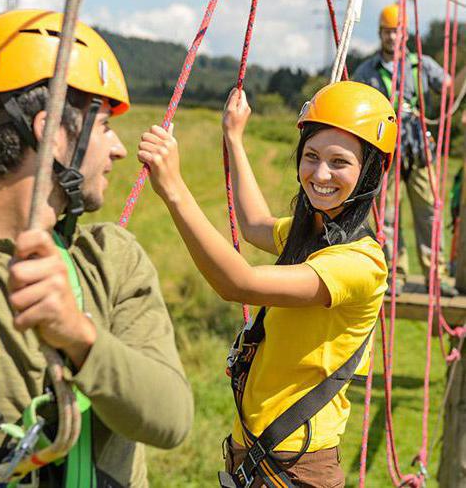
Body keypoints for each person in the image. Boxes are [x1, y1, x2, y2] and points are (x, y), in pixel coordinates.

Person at [137, 81, 396, 487]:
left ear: (370, 171)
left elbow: (239, 282)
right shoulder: (313, 233)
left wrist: (173, 189)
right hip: (263, 454)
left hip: (297, 465)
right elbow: (256, 225)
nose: (320, 173)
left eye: (339, 162)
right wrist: (234, 138)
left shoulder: (358, 263)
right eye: (311, 156)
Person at [0, 9, 193, 488]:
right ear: (52, 133)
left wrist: (78, 336)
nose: (118, 149)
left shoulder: (107, 259)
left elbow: (171, 416)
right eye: (104, 128)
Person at [353, 3, 466, 297]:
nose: (392, 37)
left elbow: (450, 88)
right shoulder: (368, 70)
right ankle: (396, 273)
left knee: (428, 212)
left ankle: (435, 275)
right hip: (385, 150)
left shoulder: (421, 65)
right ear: (380, 34)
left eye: (397, 32)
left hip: (418, 150)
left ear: (405, 34)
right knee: (387, 216)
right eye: (388, 32)